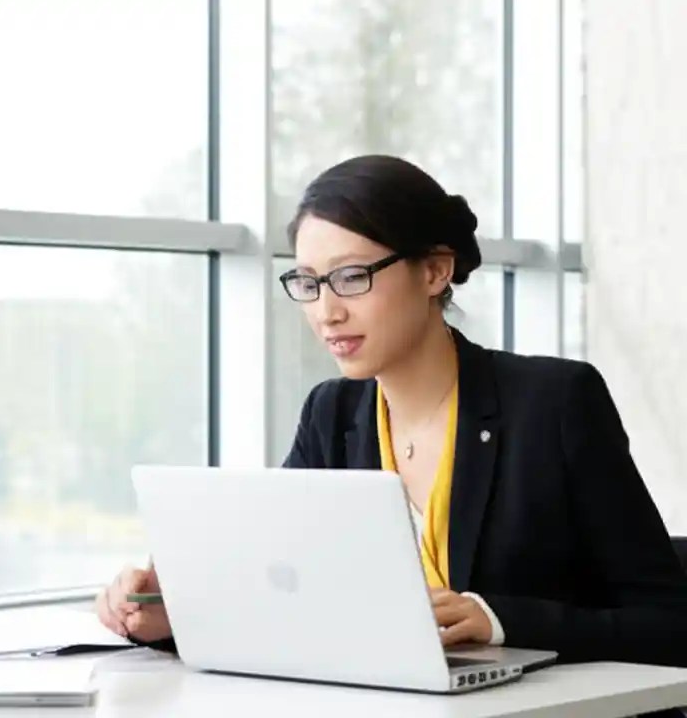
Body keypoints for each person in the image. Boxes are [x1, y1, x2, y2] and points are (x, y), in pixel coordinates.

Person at [96, 155, 687, 667]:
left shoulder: (554, 403)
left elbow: (669, 620)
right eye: (308, 282)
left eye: (352, 277)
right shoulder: (332, 415)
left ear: (435, 270)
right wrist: (172, 617)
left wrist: (498, 620)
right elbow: (278, 595)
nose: (326, 312)